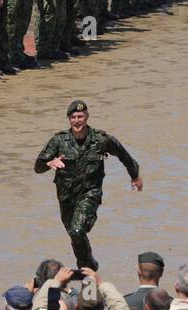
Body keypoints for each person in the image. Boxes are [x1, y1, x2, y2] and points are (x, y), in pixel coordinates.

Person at [34, 100, 141, 270]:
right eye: (74, 117)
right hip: (66, 198)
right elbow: (37, 167)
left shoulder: (101, 140)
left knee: (77, 230)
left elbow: (124, 155)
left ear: (87, 117)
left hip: (90, 194)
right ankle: (86, 268)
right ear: (69, 119)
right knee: (75, 235)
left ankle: (88, 265)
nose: (77, 120)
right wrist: (50, 163)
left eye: (81, 116)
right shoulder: (58, 141)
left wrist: (134, 176)